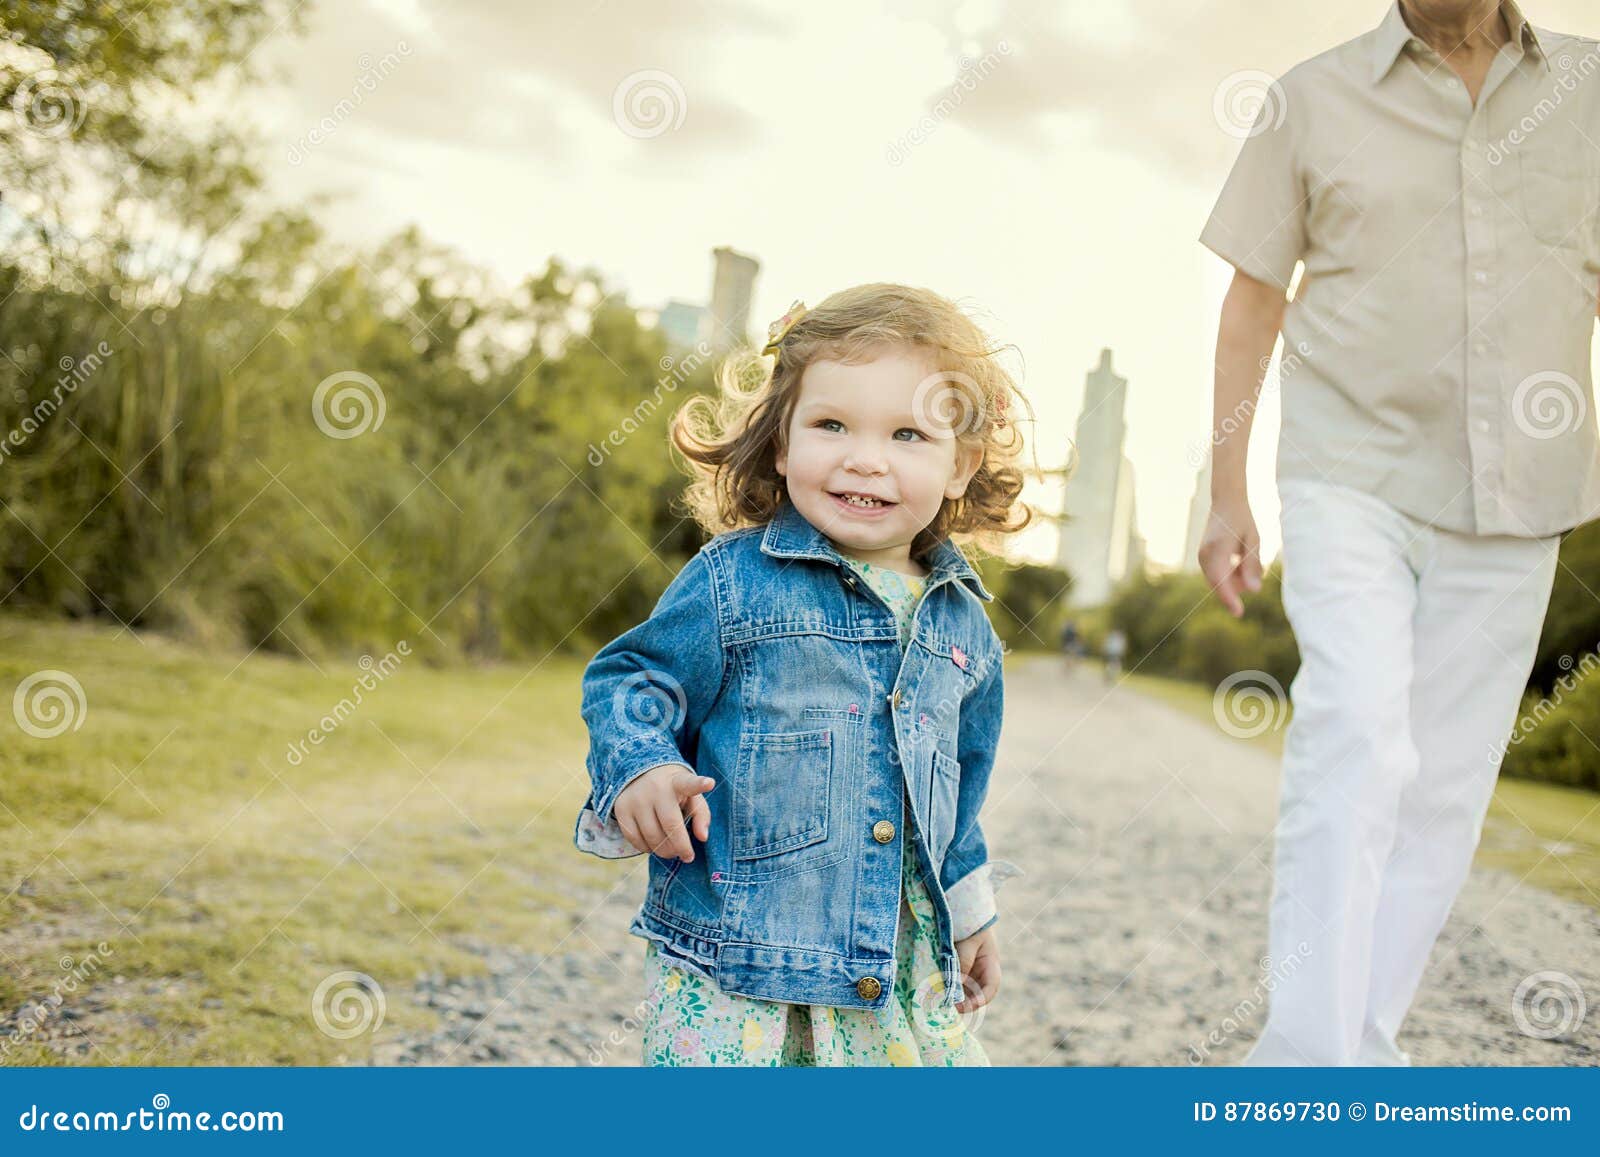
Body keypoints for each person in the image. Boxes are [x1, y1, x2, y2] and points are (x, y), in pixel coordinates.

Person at [1198, 0, 1600, 1065]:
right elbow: (1250, 300)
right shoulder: (1309, 98)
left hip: (1518, 486)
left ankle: (1361, 1042)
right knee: (1359, 730)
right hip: (1348, 470)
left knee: (1446, 779)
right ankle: (1303, 1057)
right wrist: (1224, 489)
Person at [575, 284, 1030, 1065]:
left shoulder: (965, 630)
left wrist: (972, 911)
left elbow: (957, 799)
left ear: (962, 465)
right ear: (781, 444)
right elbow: (630, 679)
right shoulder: (735, 581)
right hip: (739, 980)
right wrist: (642, 765)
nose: (866, 456)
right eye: (831, 424)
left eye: (908, 434)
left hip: (890, 978)